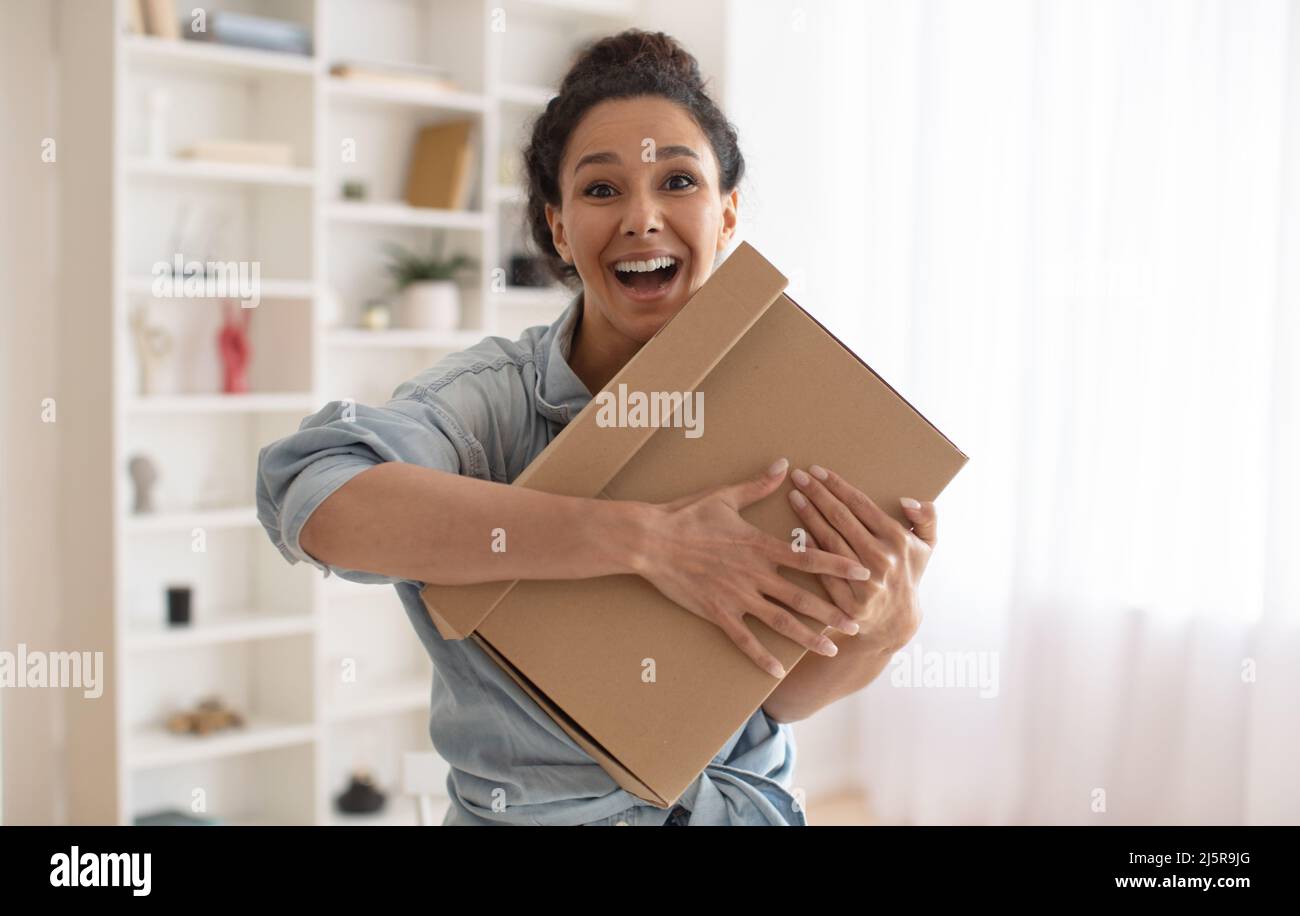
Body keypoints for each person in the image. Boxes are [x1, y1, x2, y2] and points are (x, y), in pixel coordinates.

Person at [255, 29, 939, 826]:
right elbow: (316, 499)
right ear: (557, 227)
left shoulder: (802, 407)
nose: (642, 218)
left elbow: (775, 702)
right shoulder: (492, 403)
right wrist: (646, 541)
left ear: (726, 214)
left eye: (677, 180)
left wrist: (885, 629)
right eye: (602, 189)